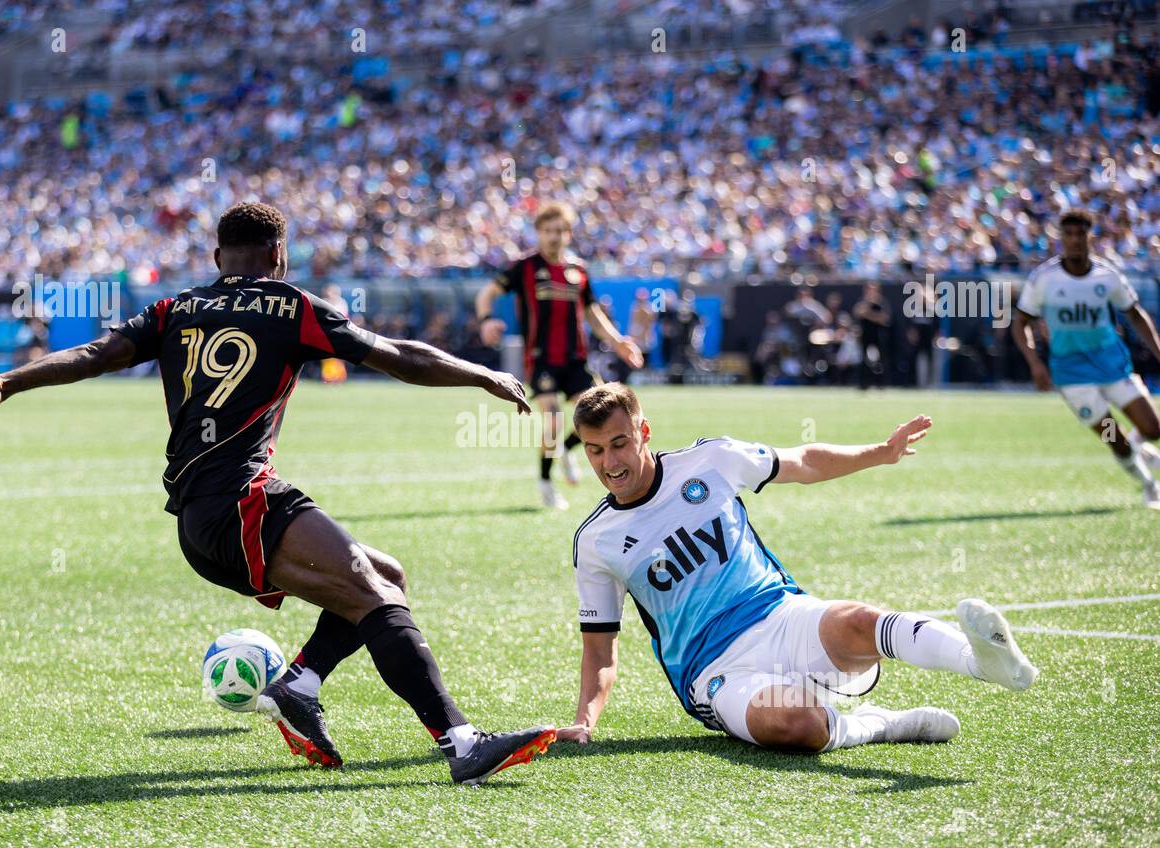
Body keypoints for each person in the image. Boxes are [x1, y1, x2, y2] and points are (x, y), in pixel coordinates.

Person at [0, 202, 555, 785]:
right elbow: (398, 354)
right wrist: (483, 373)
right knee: (375, 598)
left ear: (217, 255)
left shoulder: (174, 307)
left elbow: (94, 353)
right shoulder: (291, 307)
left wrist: (7, 380)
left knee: (385, 576)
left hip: (198, 520)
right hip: (242, 500)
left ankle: (300, 685)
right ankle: (462, 742)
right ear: (278, 255)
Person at [559, 382, 1037, 752]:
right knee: (796, 724)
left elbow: (804, 462)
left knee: (861, 621)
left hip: (780, 616)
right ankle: (878, 724)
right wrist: (585, 720)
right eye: (595, 450)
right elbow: (600, 651)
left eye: (619, 443)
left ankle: (983, 662)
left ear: (644, 432)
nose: (609, 463)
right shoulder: (596, 542)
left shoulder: (712, 461)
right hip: (714, 669)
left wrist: (882, 453)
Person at [474, 201, 643, 510]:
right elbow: (486, 294)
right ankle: (546, 483)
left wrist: (618, 342)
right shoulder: (524, 267)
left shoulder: (578, 271)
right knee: (552, 422)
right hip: (541, 359)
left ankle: (564, 449)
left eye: (560, 231)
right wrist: (486, 320)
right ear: (538, 233)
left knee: (600, 414)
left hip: (575, 359)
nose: (554, 237)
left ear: (569, 234)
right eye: (548, 231)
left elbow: (591, 312)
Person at [1011, 208, 1160, 510]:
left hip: (1112, 365)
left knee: (1153, 429)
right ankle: (1149, 485)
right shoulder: (1045, 278)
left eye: (1081, 234)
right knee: (1112, 436)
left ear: (1090, 237)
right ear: (1060, 238)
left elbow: (1134, 313)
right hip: (1071, 373)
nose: (1075, 240)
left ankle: (1137, 447)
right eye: (1068, 234)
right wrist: (1035, 363)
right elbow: (1020, 322)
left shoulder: (1107, 276)